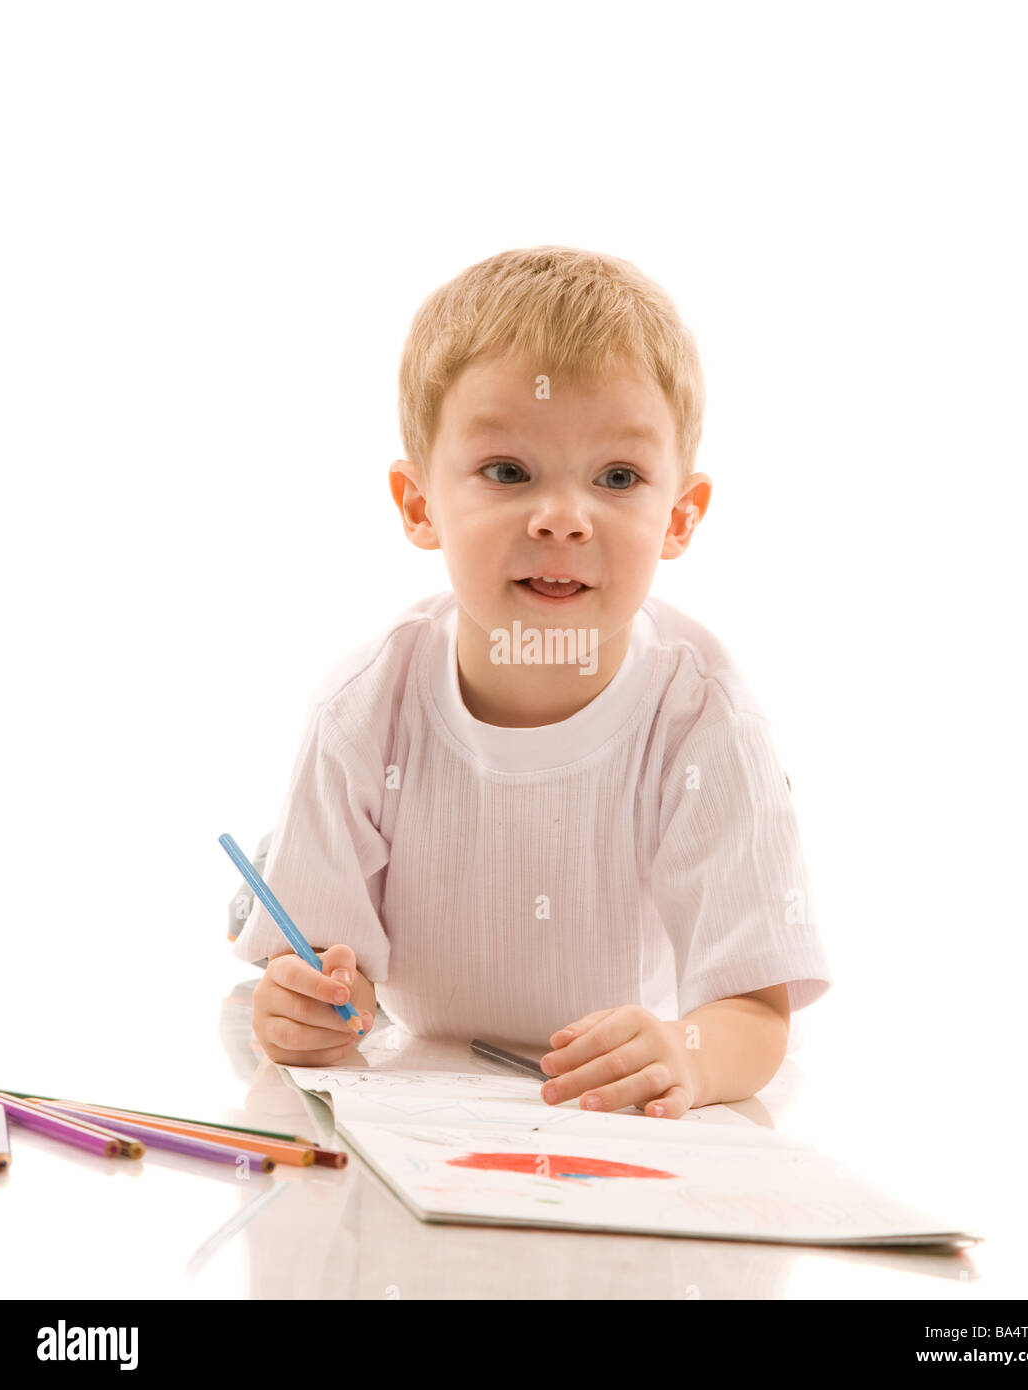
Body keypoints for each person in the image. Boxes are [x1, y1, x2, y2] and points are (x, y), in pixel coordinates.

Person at [230, 245, 833, 1118]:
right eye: (508, 472)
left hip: (600, 1124)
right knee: (266, 924)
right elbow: (324, 980)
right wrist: (304, 1010)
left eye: (618, 478)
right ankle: (254, 886)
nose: (562, 518)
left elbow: (753, 1011)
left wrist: (689, 1054)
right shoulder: (364, 708)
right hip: (435, 1097)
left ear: (681, 516)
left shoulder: (705, 720)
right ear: (418, 505)